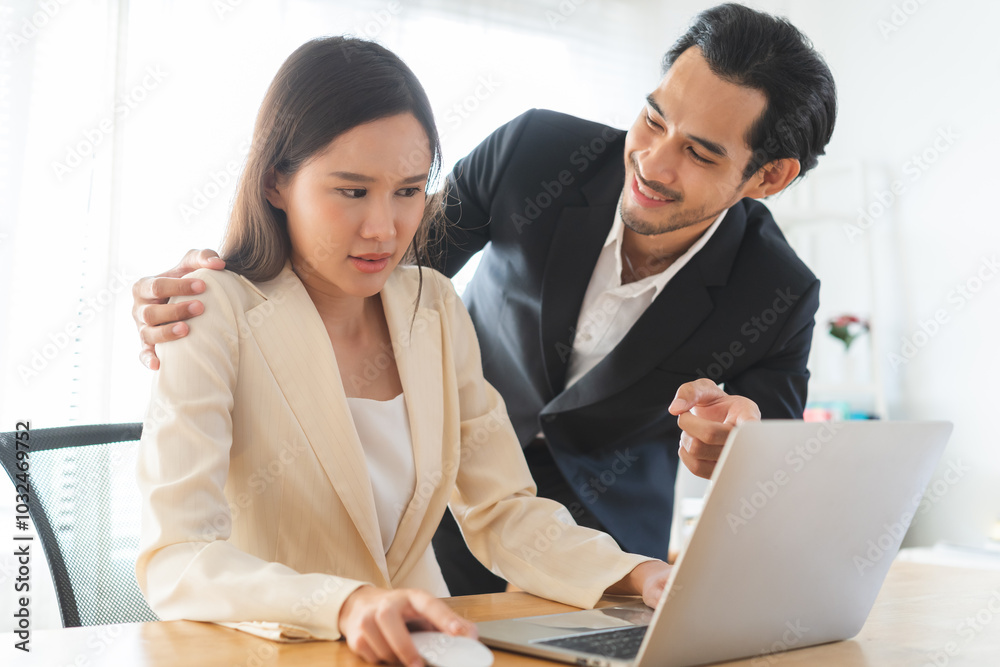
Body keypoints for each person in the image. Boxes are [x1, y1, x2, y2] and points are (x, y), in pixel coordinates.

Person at [133, 3, 835, 594]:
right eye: (653, 121)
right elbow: (374, 262)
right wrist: (222, 280)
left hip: (596, 544)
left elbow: (767, 426)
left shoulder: (778, 288)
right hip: (427, 533)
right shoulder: (536, 157)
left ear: (767, 176)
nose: (652, 162)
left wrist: (730, 440)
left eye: (701, 153)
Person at [134, 36, 671, 667]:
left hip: (428, 652)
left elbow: (501, 511)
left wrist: (636, 576)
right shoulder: (212, 312)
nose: (384, 229)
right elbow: (176, 556)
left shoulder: (433, 305)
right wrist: (346, 603)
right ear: (277, 182)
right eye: (352, 192)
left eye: (409, 190)